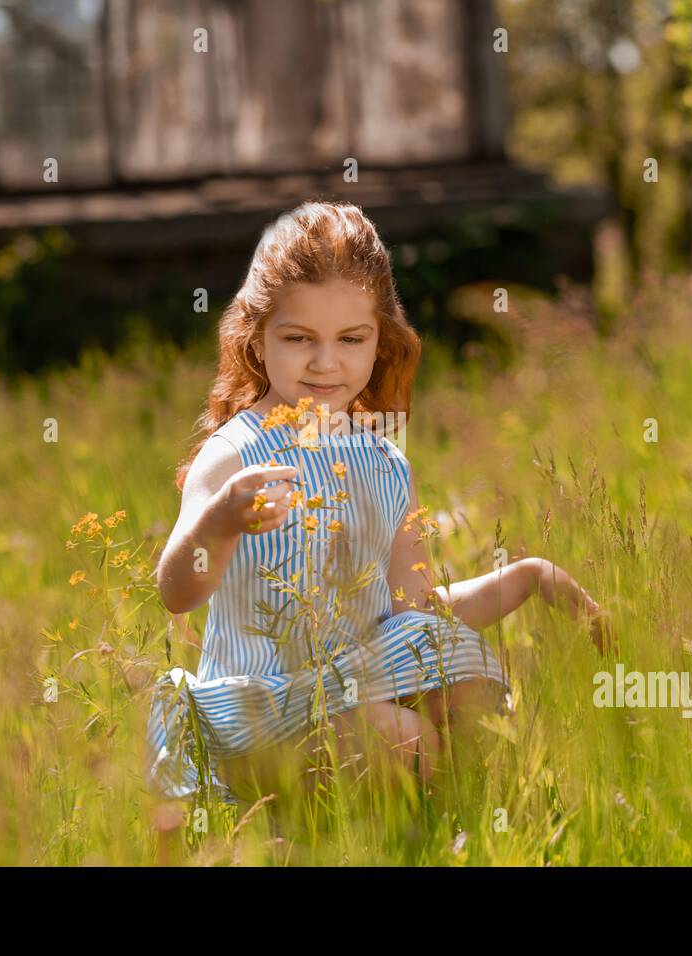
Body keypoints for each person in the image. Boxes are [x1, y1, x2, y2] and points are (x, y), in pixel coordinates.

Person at [145, 201, 611, 851]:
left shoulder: (385, 461)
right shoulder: (237, 452)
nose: (324, 363)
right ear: (257, 338)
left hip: (345, 693)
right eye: (299, 338)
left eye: (350, 340)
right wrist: (221, 521)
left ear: (380, 339)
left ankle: (436, 844)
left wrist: (526, 580)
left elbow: (411, 614)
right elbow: (176, 593)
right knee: (401, 738)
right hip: (255, 716)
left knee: (473, 693)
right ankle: (309, 840)